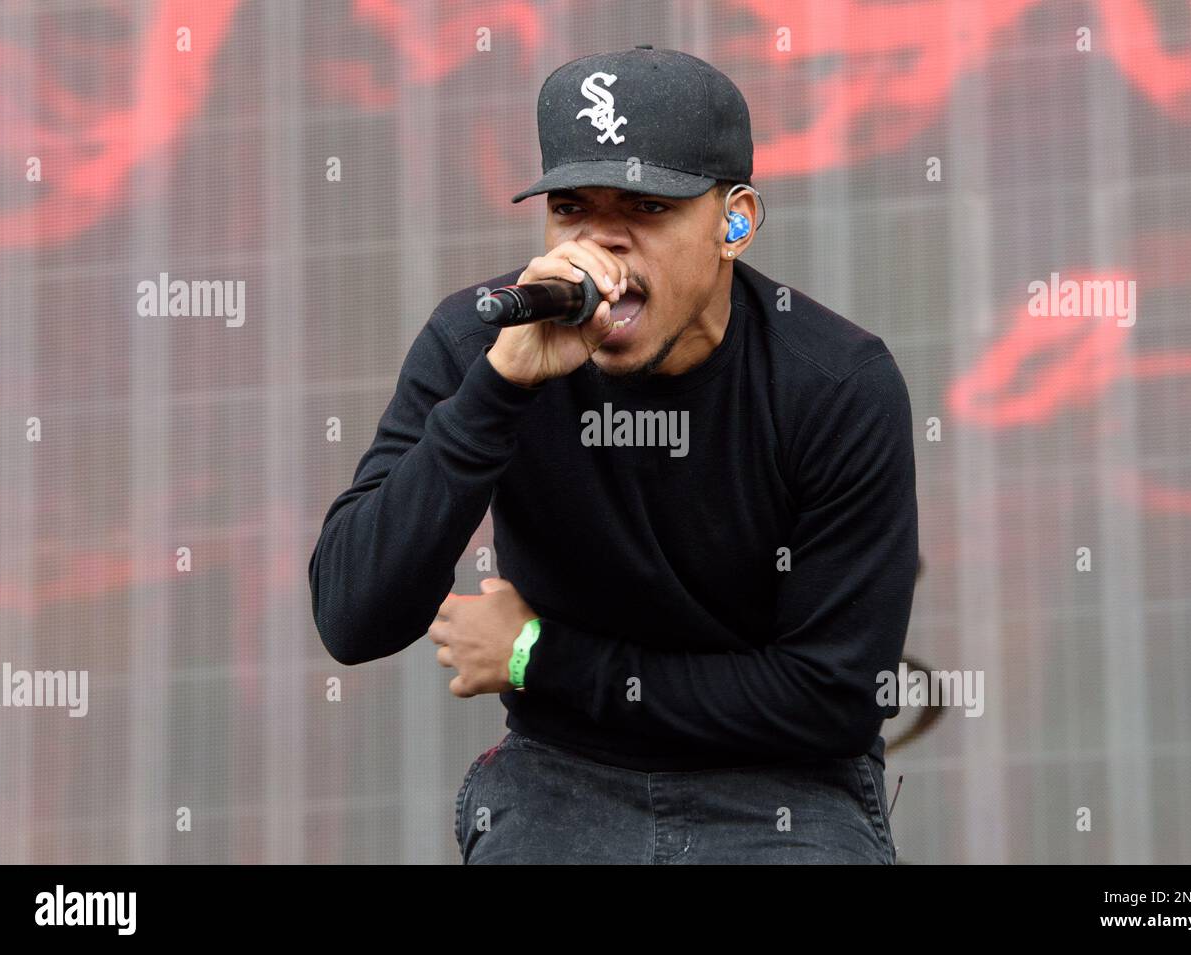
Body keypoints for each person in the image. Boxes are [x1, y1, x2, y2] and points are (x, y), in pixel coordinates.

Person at [308, 45, 918, 864]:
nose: (601, 246)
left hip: (783, 789)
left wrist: (539, 657)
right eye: (571, 207)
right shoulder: (481, 344)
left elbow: (829, 700)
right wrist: (497, 391)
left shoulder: (836, 382)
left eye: (646, 207)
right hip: (563, 775)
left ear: (734, 221)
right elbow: (352, 616)